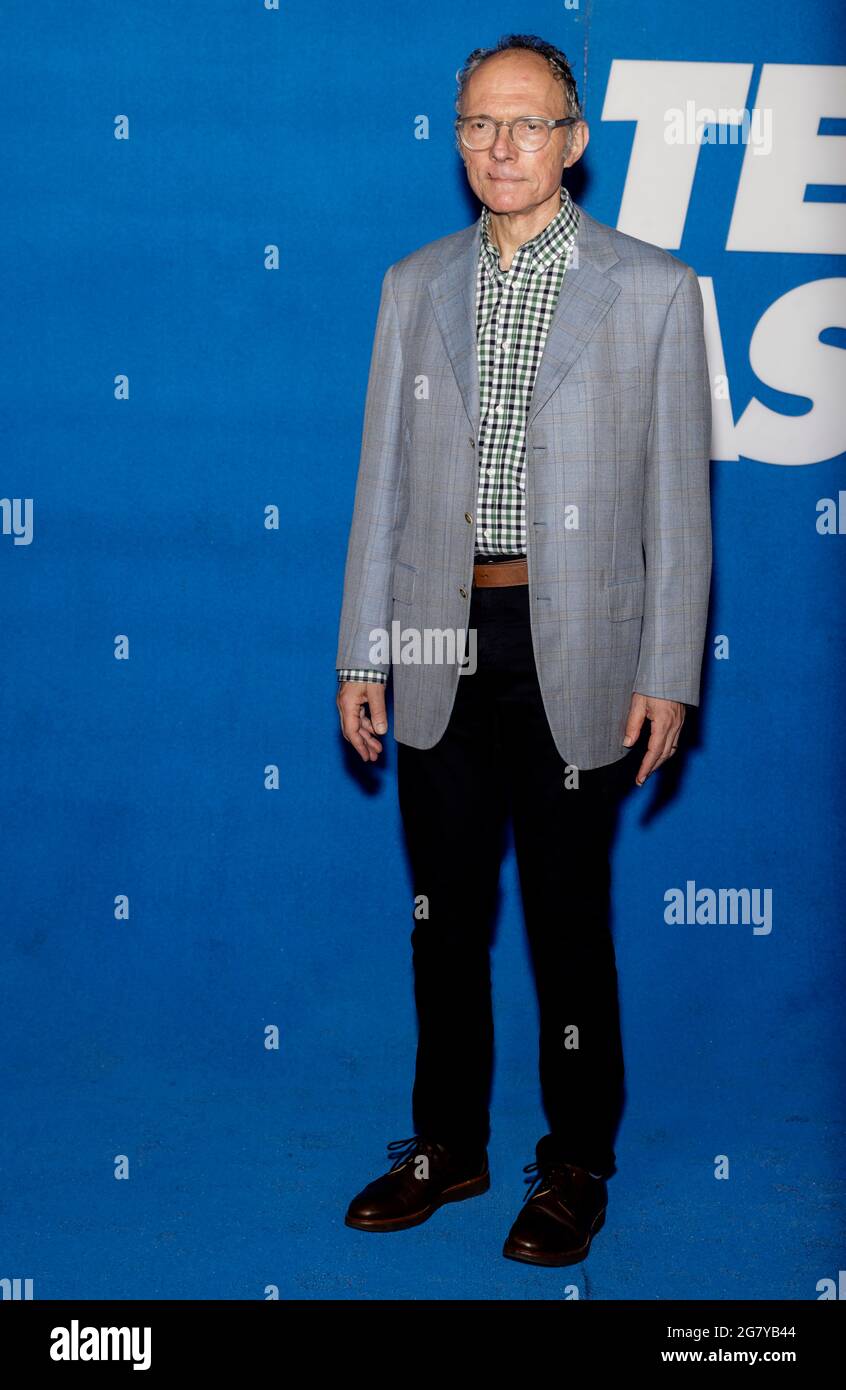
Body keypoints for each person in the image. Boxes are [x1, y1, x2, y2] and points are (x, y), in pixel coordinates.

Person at [335, 33, 712, 1266]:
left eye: (529, 124)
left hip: (582, 643)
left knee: (565, 918)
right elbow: (379, 486)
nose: (503, 147)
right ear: (457, 138)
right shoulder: (413, 283)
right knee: (443, 917)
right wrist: (362, 652)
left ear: (575, 139)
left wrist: (668, 669)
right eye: (480, 125)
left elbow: (678, 506)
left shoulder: (654, 288)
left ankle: (574, 1164)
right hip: (440, 628)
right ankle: (447, 1144)